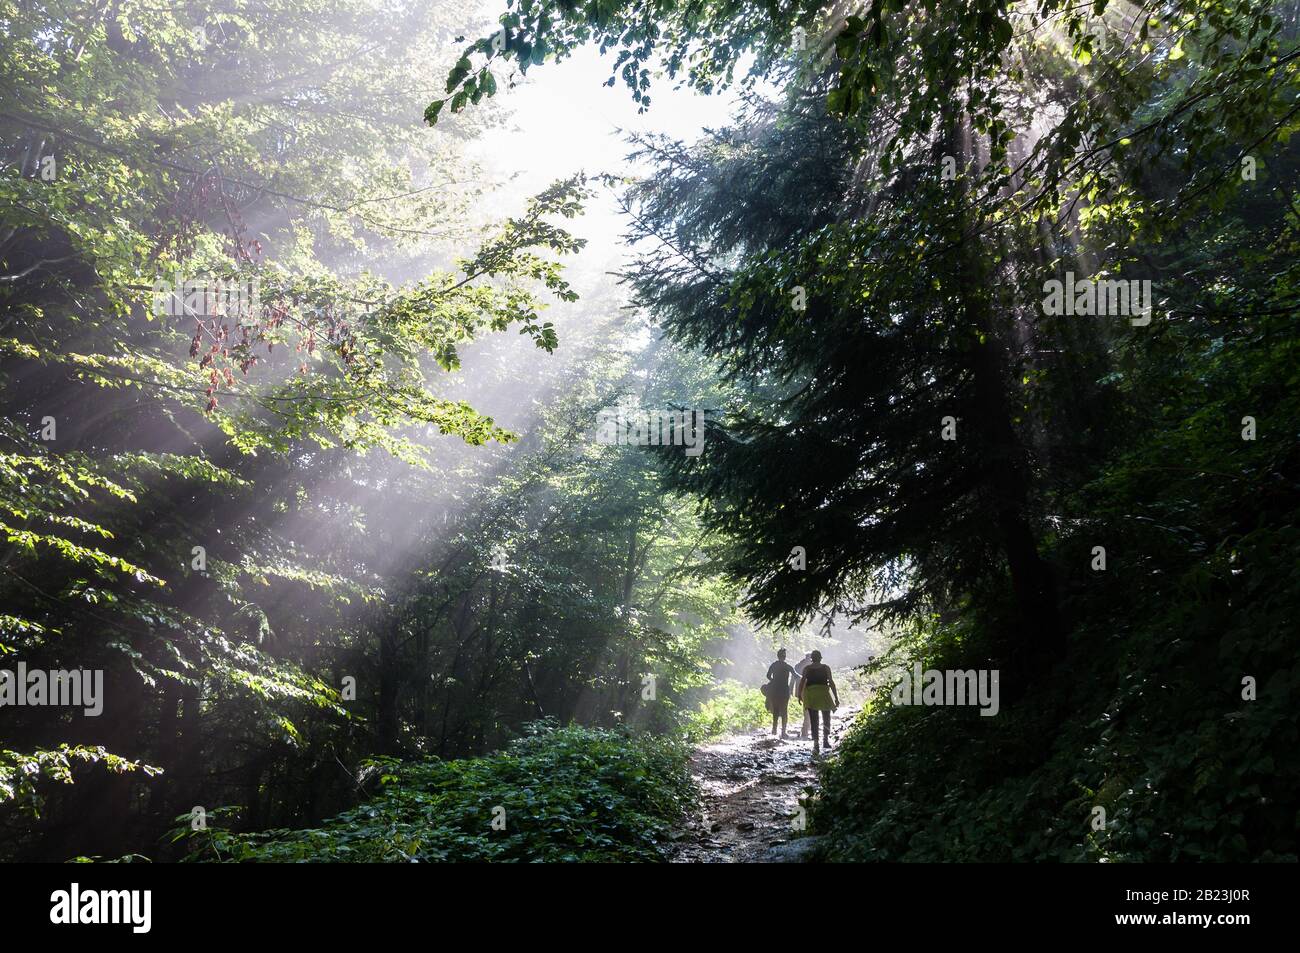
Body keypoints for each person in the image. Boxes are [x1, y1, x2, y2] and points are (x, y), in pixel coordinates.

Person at [797, 650, 839, 756]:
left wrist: (799, 695)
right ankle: (825, 740)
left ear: (811, 659)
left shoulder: (807, 669)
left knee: (814, 719)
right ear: (820, 658)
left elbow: (802, 682)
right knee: (826, 718)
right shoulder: (826, 668)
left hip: (811, 695)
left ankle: (816, 744)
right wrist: (836, 698)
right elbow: (831, 682)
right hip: (824, 694)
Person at [764, 649, 797, 739]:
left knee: (776, 709)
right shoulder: (787, 666)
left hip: (775, 690)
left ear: (778, 656)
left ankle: (774, 730)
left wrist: (773, 681)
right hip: (784, 690)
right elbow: (795, 675)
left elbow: (768, 675)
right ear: (784, 657)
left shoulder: (774, 665)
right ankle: (783, 732)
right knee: (784, 710)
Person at [792, 651, 814, 738]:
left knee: (807, 711)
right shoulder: (812, 667)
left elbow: (793, 679)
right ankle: (806, 731)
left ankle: (805, 731)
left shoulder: (798, 666)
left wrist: (793, 690)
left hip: (802, 691)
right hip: (808, 691)